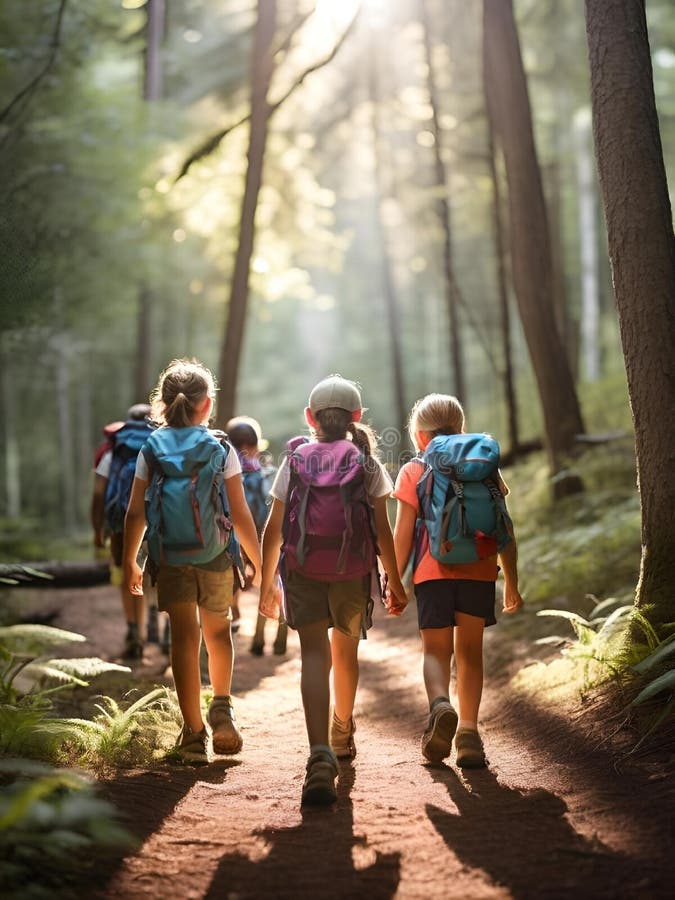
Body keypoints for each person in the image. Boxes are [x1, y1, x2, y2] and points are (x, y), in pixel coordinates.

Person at [260, 375, 407, 807]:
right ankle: (342, 731)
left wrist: (267, 580)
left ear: (310, 418)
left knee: (313, 657)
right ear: (356, 418)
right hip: (352, 571)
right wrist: (394, 581)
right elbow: (381, 530)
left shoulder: (296, 458)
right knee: (345, 654)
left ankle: (319, 755)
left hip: (303, 570)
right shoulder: (365, 462)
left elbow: (274, 529)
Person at [122, 359, 262, 765]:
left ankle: (193, 735)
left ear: (162, 405)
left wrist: (133, 560)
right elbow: (240, 514)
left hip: (171, 557)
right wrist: (259, 563)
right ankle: (221, 706)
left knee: (184, 640)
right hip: (216, 554)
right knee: (218, 633)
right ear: (208, 405)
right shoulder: (221, 447)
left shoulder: (151, 448)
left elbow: (136, 513)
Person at [392, 393, 524, 769]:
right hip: (480, 571)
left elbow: (402, 535)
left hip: (431, 573)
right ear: (462, 429)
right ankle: (469, 735)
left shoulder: (414, 470)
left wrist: (395, 584)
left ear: (419, 436)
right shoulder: (485, 468)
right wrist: (511, 581)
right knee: (470, 652)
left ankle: (440, 707)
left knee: (436, 651)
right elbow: (504, 527)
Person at [91, 403, 158, 659]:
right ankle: (155, 618)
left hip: (121, 524)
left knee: (125, 573)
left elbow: (99, 494)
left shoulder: (113, 453)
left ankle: (134, 629)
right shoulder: (158, 447)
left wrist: (98, 529)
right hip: (155, 521)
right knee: (153, 574)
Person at [226, 415, 288, 656]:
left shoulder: (227, 473)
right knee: (273, 583)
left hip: (237, 542)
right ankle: (273, 634)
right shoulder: (269, 475)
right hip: (269, 538)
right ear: (255, 446)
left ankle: (238, 623)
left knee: (231, 587)